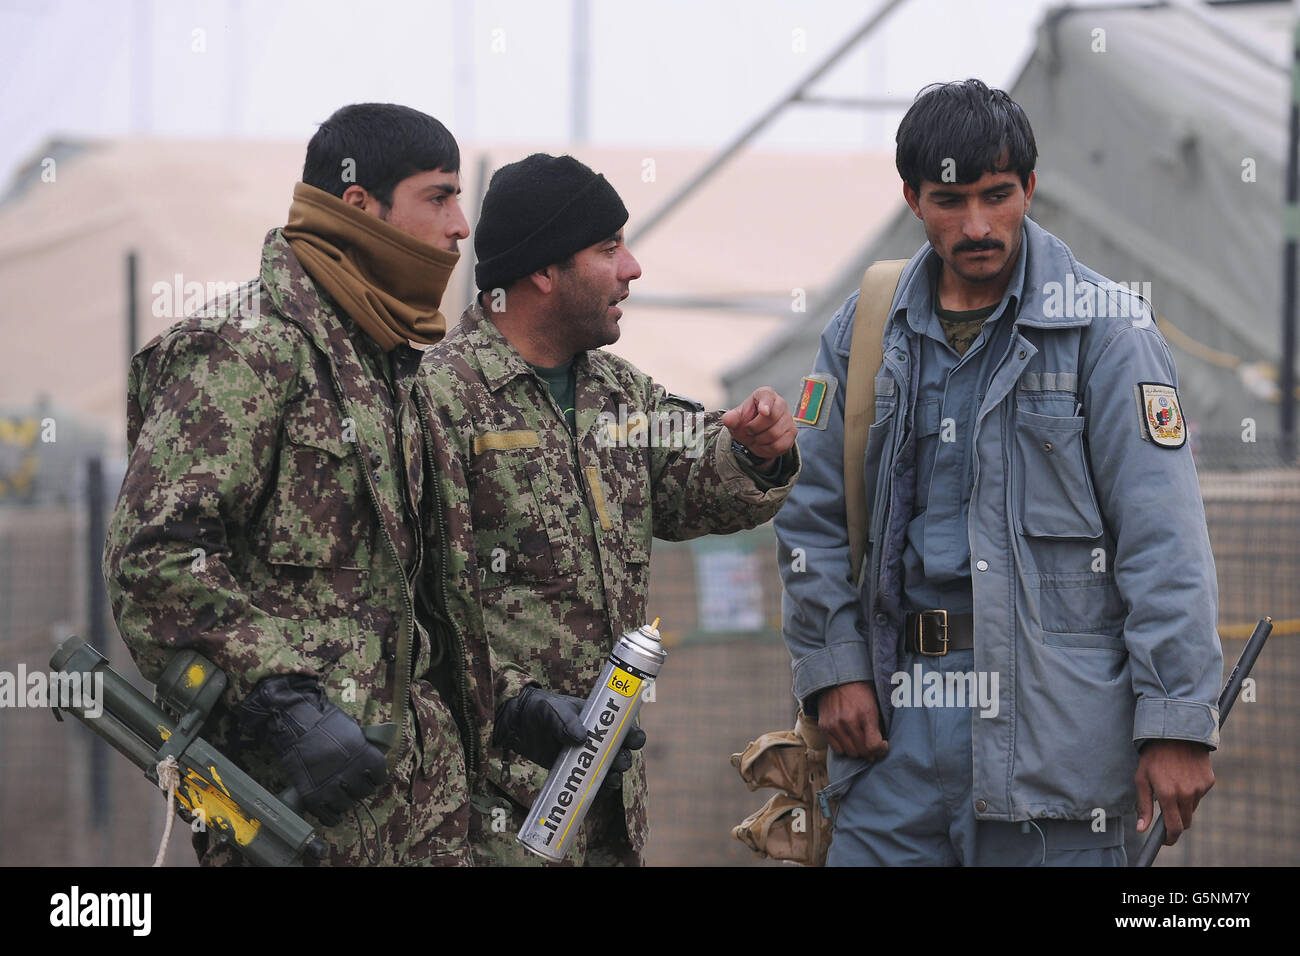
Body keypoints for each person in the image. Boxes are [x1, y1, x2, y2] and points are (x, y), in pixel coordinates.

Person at [775, 79, 1222, 866]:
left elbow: (1165, 541)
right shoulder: (863, 331)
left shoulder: (1107, 334)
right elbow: (809, 511)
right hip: (893, 739)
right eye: (950, 200)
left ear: (1031, 189)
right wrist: (832, 667)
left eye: (997, 195)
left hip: (1057, 746)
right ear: (912, 198)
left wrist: (1176, 722)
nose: (977, 225)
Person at [104, 103, 491, 866]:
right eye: (439, 197)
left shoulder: (391, 365)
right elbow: (154, 554)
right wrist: (283, 707)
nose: (460, 227)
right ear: (359, 206)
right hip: (298, 814)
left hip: (423, 813)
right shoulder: (243, 351)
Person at [422, 153, 800, 865]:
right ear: (542, 269)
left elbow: (693, 479)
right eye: (608, 248)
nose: (632, 268)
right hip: (488, 810)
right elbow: (411, 606)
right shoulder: (438, 400)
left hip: (609, 807)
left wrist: (757, 449)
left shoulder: (619, 395)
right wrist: (514, 705)